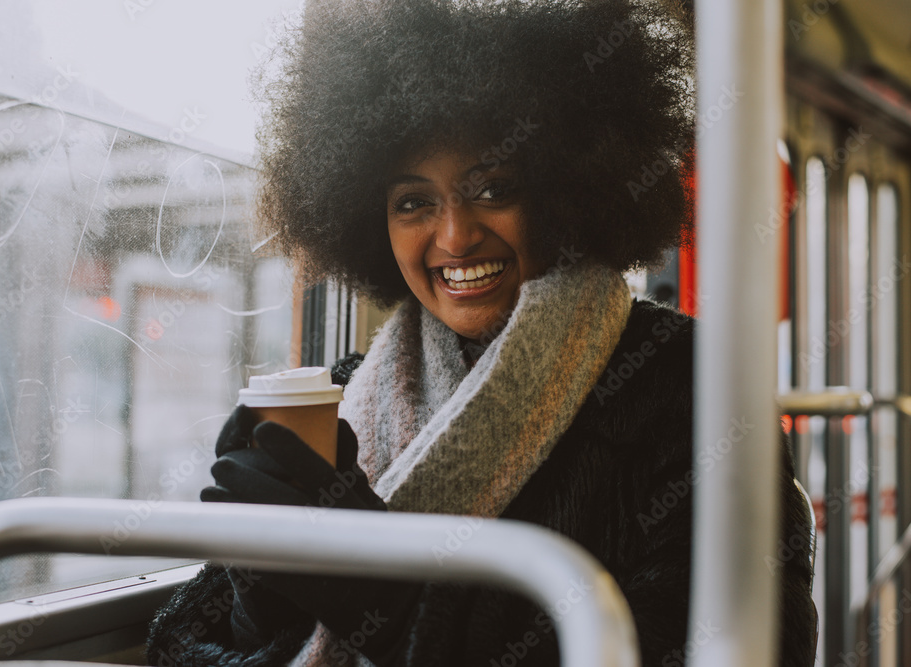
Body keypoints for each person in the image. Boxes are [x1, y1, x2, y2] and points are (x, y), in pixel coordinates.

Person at [146, 0, 817, 665]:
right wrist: (258, 586)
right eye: (413, 202)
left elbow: (751, 646)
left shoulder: (688, 381)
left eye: (493, 188)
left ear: (568, 192)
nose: (455, 236)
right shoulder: (347, 395)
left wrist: (389, 596)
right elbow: (180, 644)